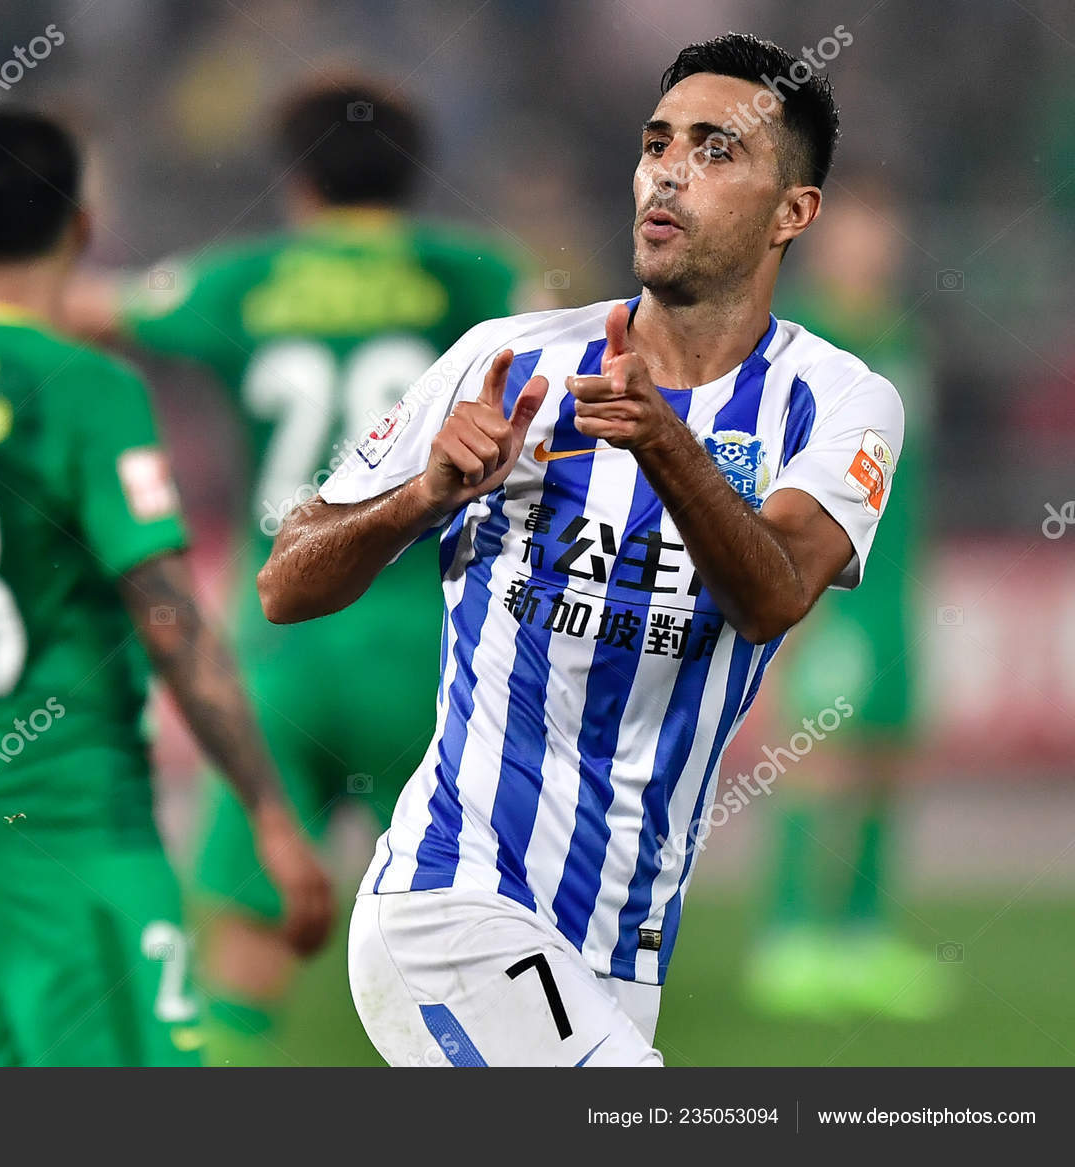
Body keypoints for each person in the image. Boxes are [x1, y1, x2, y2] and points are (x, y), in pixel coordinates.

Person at [261, 33, 905, 1066]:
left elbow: (773, 593)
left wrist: (662, 441)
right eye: (658, 143)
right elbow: (284, 579)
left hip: (616, 944)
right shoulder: (509, 357)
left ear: (795, 212)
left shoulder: (838, 401)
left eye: (716, 151)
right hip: (453, 901)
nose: (668, 171)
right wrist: (418, 497)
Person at [67, 79, 533, 1056]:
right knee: (479, 948)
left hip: (280, 646)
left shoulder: (245, 279)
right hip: (435, 647)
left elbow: (90, 313)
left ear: (295, 178)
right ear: (413, 175)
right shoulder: (479, 278)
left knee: (247, 952)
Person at [0, 109, 333, 1066]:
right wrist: (271, 814)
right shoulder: (88, 388)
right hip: (83, 810)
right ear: (81, 226)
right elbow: (170, 619)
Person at [747, 181, 945, 1020]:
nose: (873, 246)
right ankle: (790, 939)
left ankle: (863, 936)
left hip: (897, 588)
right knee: (815, 758)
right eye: (859, 230)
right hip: (829, 586)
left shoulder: (902, 336)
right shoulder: (806, 343)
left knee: (887, 759)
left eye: (884, 230)